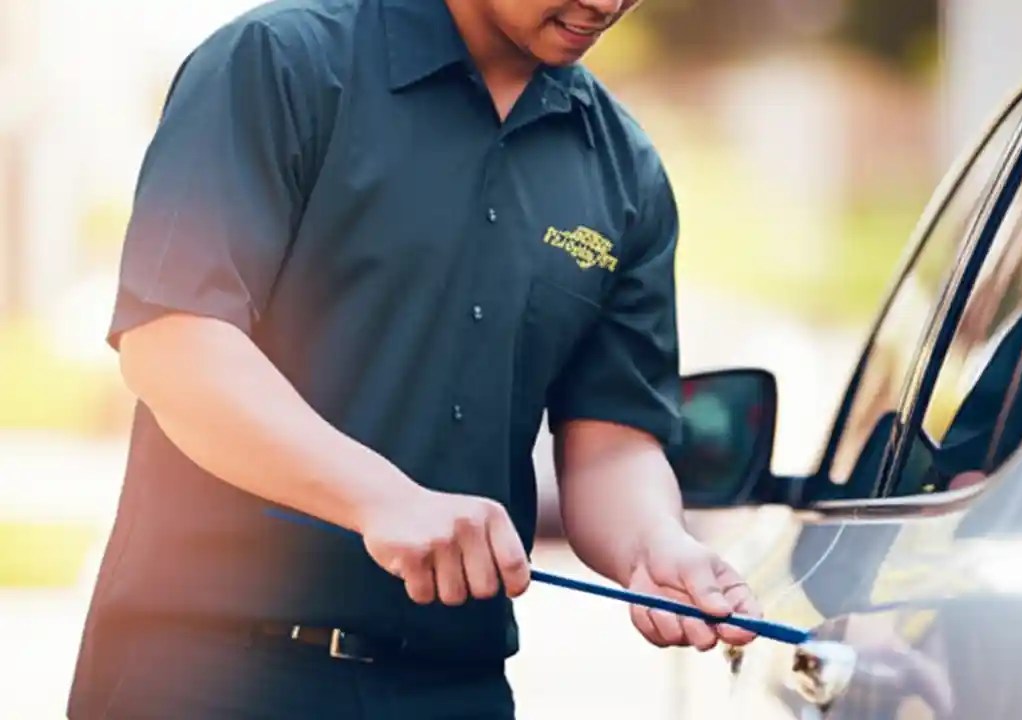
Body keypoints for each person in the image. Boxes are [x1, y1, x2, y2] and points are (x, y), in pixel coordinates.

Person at [67, 0, 762, 717]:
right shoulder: (276, 62)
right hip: (207, 674)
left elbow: (612, 446)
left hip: (454, 687)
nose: (607, 3)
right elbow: (174, 347)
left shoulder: (625, 169)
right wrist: (383, 498)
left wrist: (654, 546)